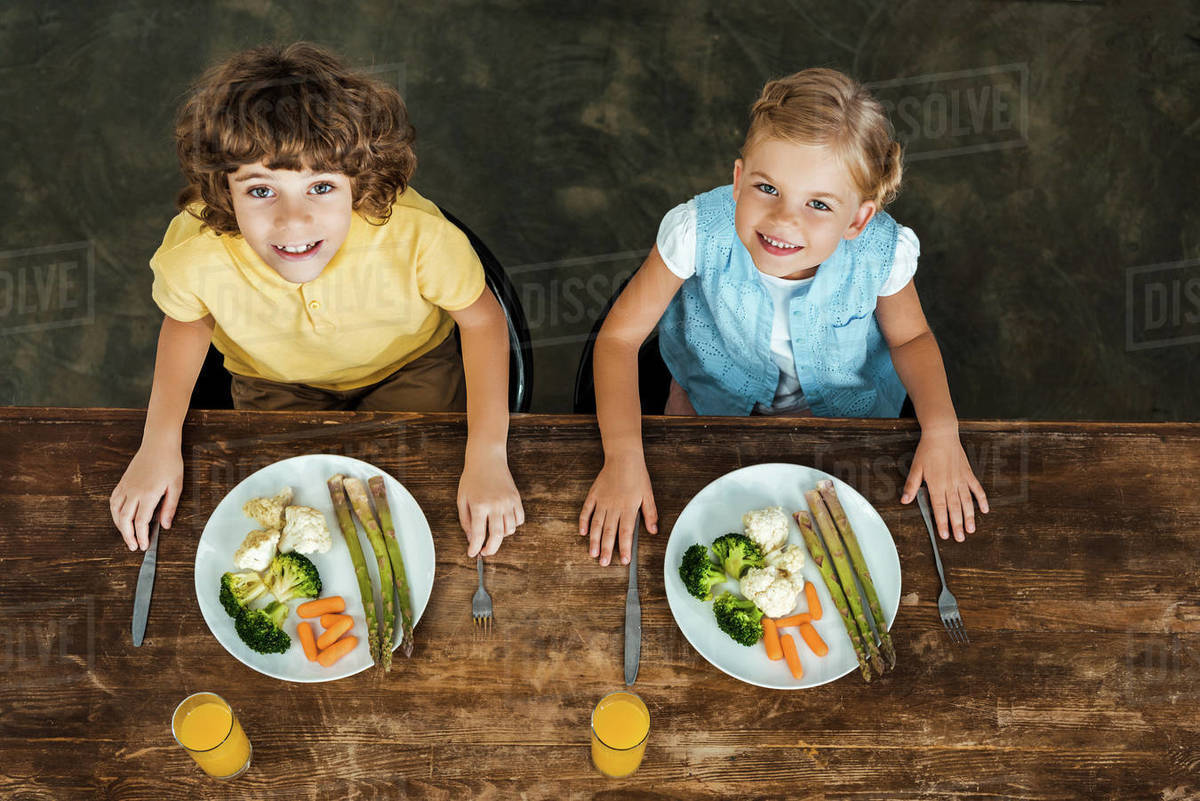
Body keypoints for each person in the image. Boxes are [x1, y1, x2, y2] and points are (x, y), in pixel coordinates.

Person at [110, 43, 523, 559]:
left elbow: (482, 321)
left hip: (412, 368)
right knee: (296, 519)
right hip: (273, 383)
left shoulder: (420, 237)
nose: (293, 222)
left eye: (321, 186)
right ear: (222, 191)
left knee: (414, 506)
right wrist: (157, 443)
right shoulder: (195, 253)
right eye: (261, 191)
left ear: (362, 180)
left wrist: (487, 454)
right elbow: (188, 322)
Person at [579, 68, 988, 566]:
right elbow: (619, 340)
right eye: (766, 188)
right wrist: (623, 458)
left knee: (845, 553)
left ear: (858, 219)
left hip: (845, 420)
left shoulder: (882, 251)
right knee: (685, 528)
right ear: (737, 180)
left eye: (818, 203)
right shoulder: (696, 231)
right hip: (708, 406)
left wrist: (942, 433)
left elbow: (911, 339)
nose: (784, 220)